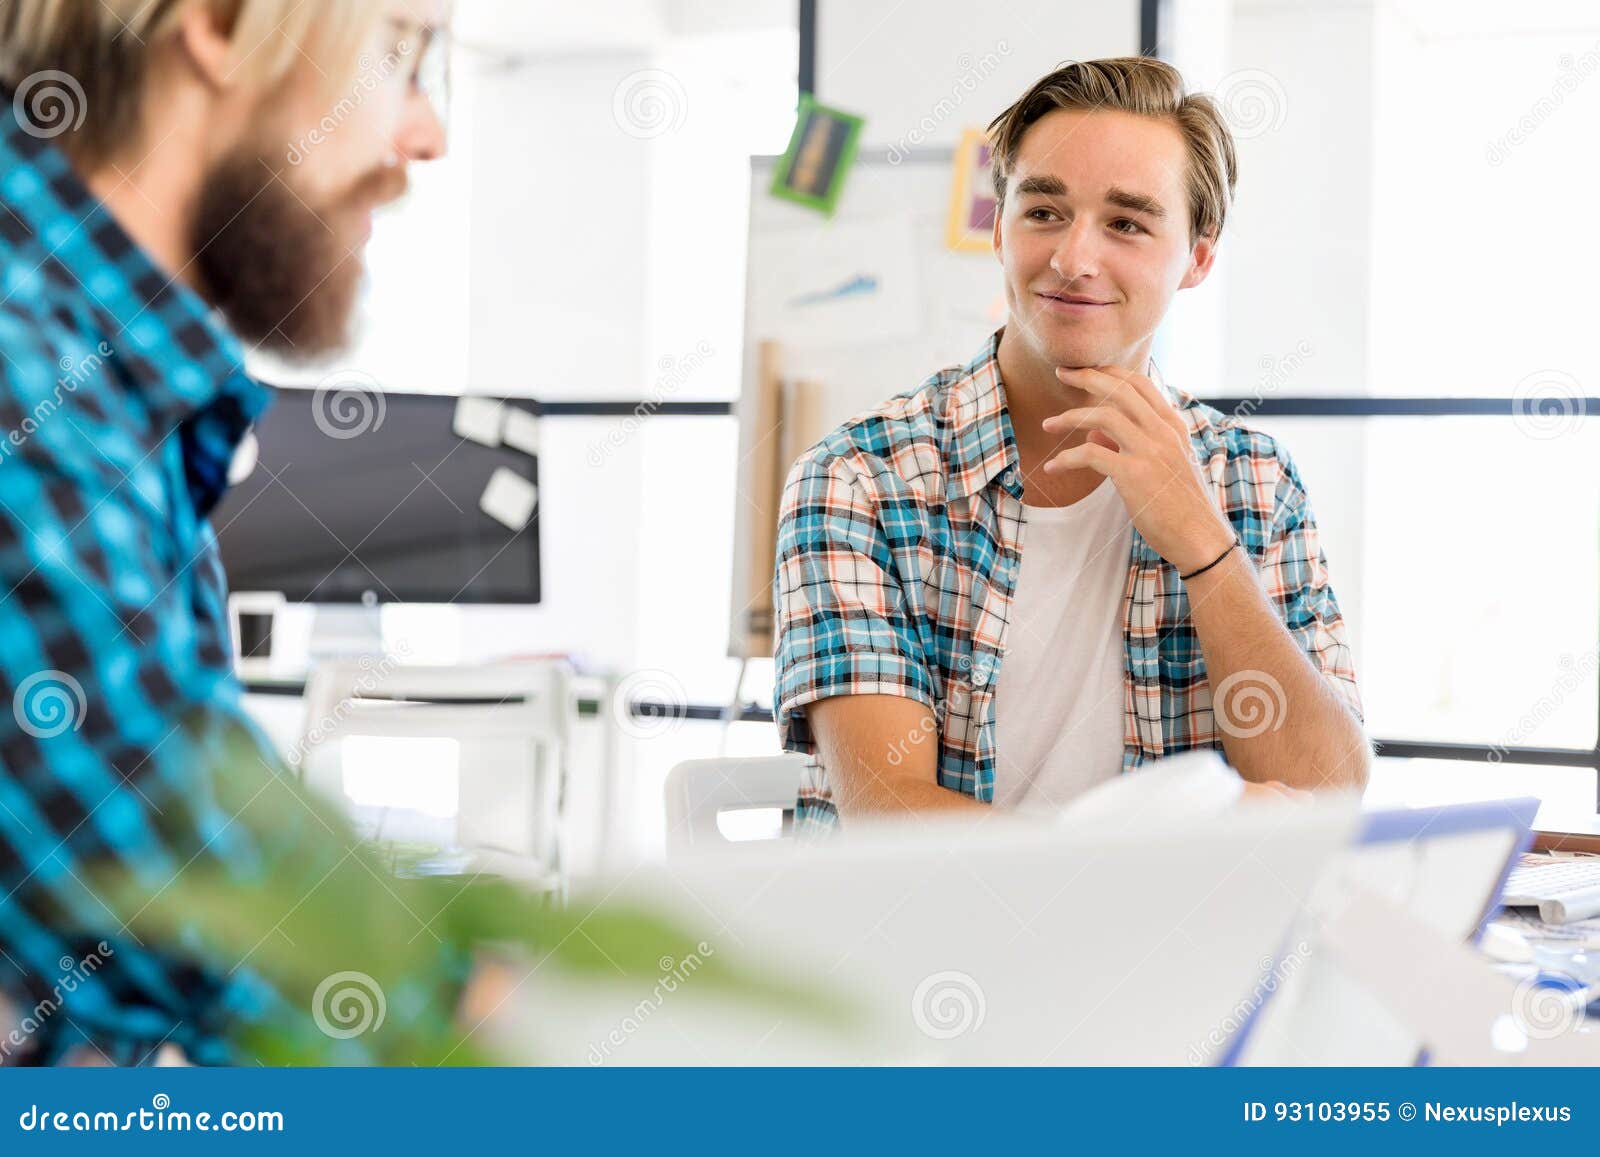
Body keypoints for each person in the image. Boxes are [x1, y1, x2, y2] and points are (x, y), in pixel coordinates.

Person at [0, 0, 446, 1064]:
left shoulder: (111, 382)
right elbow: (243, 944)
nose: (427, 134)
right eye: (395, 49)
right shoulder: (23, 370)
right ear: (221, 20)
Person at [773, 58, 1369, 831]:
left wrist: (1202, 542)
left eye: (1126, 223)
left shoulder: (1251, 478)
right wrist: (1152, 845)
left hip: (1172, 949)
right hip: (916, 946)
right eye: (1044, 211)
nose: (1072, 259)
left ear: (1198, 258)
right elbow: (890, 817)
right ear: (999, 226)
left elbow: (1324, 794)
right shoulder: (857, 481)